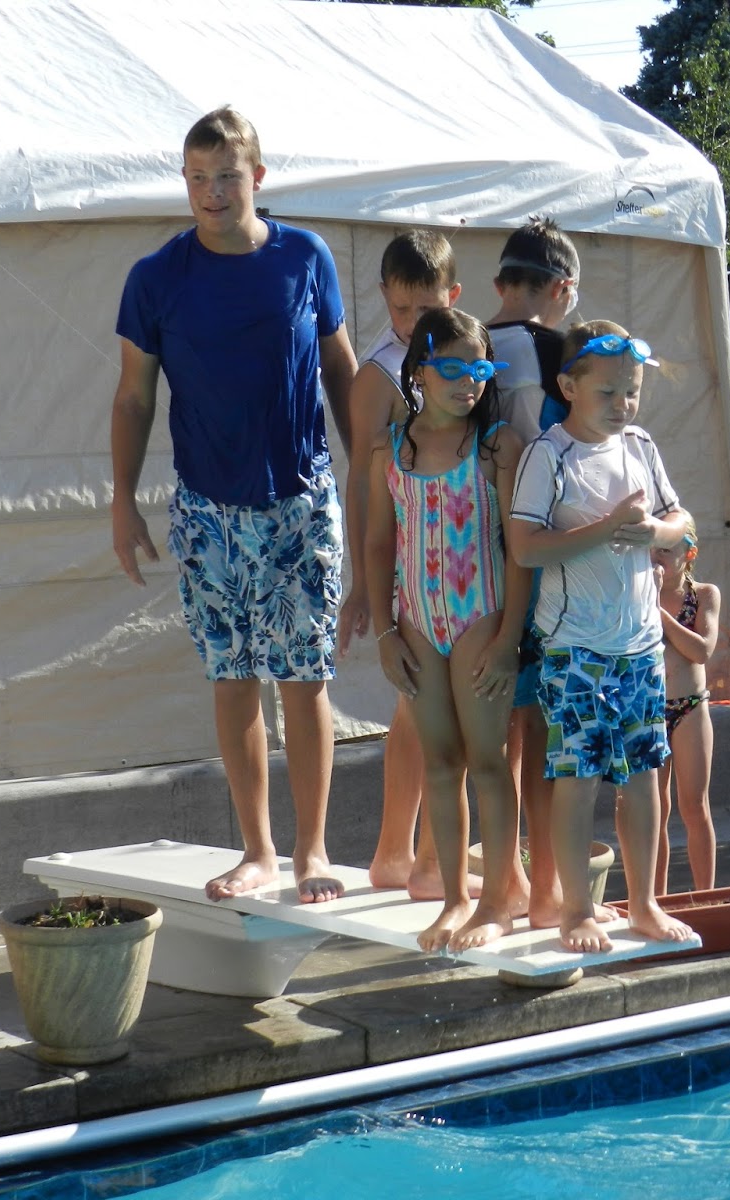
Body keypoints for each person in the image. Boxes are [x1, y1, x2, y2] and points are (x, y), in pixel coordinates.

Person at [109, 107, 357, 904]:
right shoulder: (157, 276)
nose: (212, 193)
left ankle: (314, 850)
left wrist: (370, 473)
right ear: (184, 183)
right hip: (206, 508)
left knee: (305, 675)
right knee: (233, 675)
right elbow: (132, 398)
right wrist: (121, 500)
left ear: (258, 176)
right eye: (197, 178)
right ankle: (258, 850)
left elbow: (343, 374)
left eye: (227, 176)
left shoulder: (304, 257)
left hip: (299, 499)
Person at [508, 319, 697, 954]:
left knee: (644, 777)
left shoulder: (640, 445)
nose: (623, 406)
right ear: (569, 385)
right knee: (579, 778)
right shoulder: (549, 454)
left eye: (632, 392)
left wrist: (658, 536)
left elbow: (682, 519)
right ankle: (576, 911)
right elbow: (525, 546)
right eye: (608, 393)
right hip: (575, 646)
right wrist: (610, 528)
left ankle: (642, 903)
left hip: (639, 644)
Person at [365, 307, 530, 952]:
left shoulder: (495, 449)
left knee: (488, 762)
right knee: (440, 762)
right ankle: (456, 897)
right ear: (418, 372)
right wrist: (385, 633)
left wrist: (509, 639)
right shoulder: (391, 447)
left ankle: (496, 901)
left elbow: (518, 553)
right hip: (416, 622)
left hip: (479, 617)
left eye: (481, 369)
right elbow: (379, 544)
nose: (470, 383)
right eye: (454, 368)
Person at [337, 231, 465, 898]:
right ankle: (409, 854)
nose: (410, 324)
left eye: (424, 310)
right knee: (424, 699)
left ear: (453, 298)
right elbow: (361, 481)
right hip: (414, 558)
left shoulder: (467, 367)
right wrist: (366, 582)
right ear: (384, 298)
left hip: (464, 558)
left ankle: (412, 852)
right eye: (399, 310)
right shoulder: (379, 374)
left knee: (436, 702)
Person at [485, 217, 582, 929]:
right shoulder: (555, 355)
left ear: (499, 285)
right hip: (543, 568)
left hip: (461, 570)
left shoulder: (457, 343)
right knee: (544, 736)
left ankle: (495, 880)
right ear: (562, 289)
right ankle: (547, 890)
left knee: (485, 744)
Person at [651, 517, 721, 894]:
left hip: (691, 706)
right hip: (651, 708)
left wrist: (660, 614)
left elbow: (701, 650)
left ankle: (706, 895)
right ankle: (656, 900)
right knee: (654, 812)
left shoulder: (704, 594)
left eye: (666, 548)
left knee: (694, 807)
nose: (657, 556)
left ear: (688, 553)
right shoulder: (639, 592)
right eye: (654, 547)